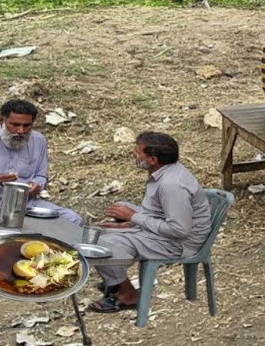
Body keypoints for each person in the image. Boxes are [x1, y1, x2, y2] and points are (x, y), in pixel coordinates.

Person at [89, 132, 211, 313]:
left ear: (153, 159)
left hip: (178, 243)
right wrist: (128, 224)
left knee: (100, 245)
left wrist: (134, 218)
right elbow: (158, 213)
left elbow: (179, 230)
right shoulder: (165, 171)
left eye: (138, 152)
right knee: (111, 219)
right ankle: (115, 277)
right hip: (167, 230)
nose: (134, 154)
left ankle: (127, 294)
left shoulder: (171, 185)